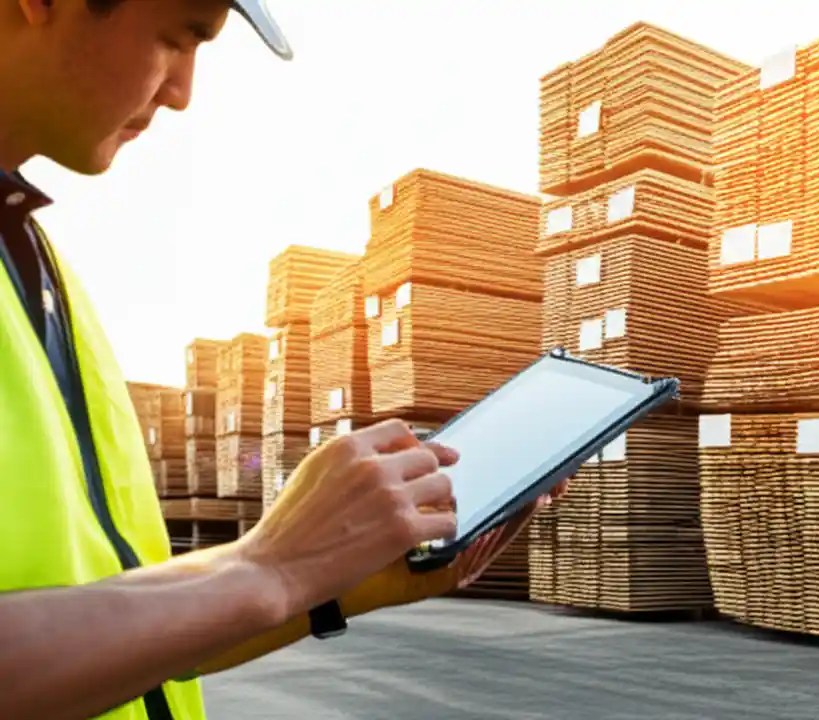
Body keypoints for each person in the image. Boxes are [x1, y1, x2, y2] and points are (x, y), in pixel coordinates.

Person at [0, 2, 563, 718]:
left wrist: (337, 575)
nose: (183, 91)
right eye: (176, 39)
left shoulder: (44, 274)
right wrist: (274, 567)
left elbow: (111, 607)